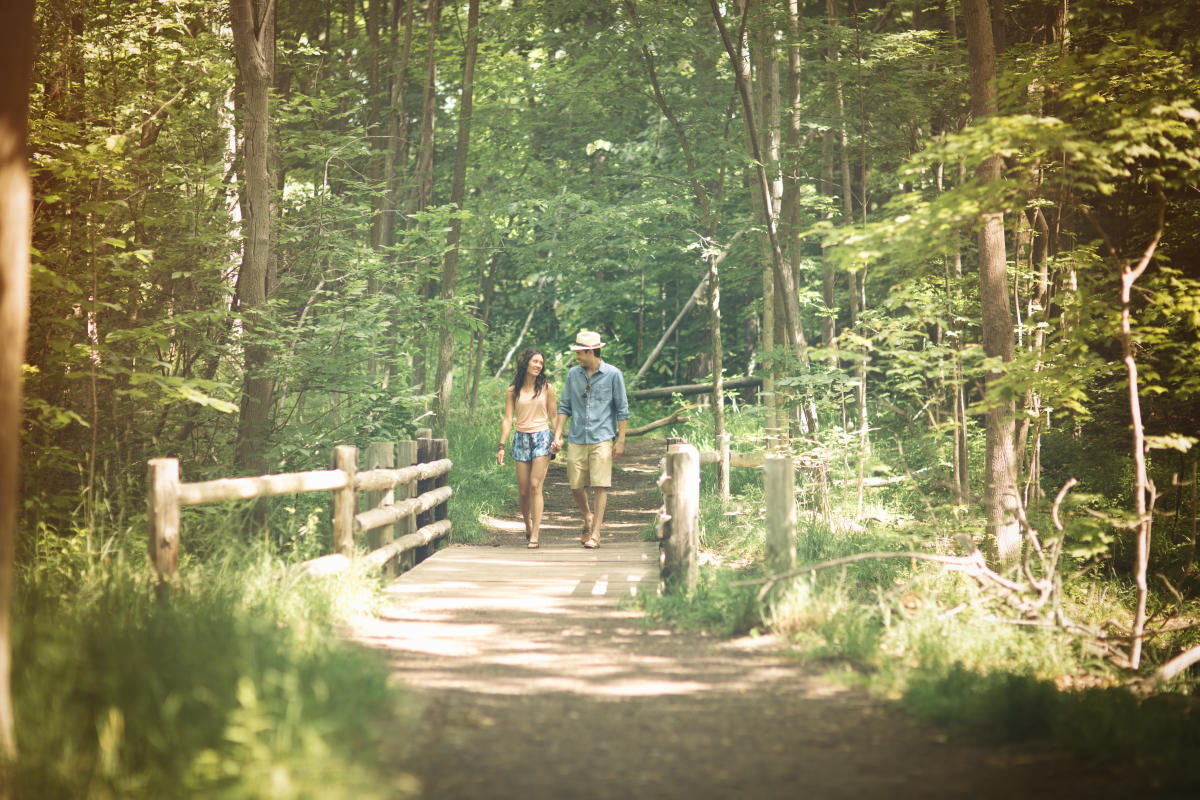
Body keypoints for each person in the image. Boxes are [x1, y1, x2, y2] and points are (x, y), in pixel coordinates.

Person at [552, 330, 629, 549]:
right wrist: (558, 434)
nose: (577, 357)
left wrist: (620, 440)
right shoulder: (572, 375)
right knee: (575, 485)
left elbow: (622, 410)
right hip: (577, 437)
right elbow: (564, 406)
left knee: (600, 485)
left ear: (591, 351)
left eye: (580, 352)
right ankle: (588, 516)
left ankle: (596, 533)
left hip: (602, 437)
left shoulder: (614, 374)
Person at [498, 348, 556, 548]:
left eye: (541, 362)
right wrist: (501, 446)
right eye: (535, 362)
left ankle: (536, 534)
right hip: (521, 438)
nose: (539, 365)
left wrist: (557, 438)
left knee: (534, 485)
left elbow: (554, 415)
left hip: (542, 437)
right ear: (526, 363)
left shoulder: (547, 388)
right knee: (523, 491)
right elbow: (507, 419)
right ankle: (527, 525)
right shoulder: (513, 390)